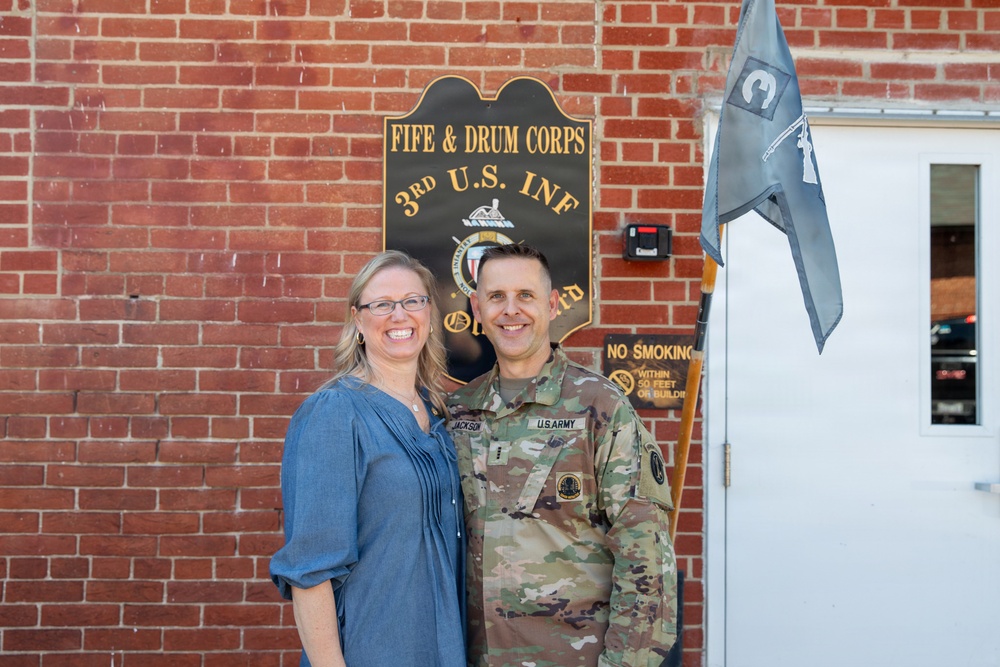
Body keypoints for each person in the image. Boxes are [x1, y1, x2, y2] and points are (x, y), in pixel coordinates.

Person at [447, 243, 678, 667]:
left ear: (553, 305)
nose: (510, 310)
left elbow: (645, 557)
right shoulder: (459, 411)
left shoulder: (599, 407)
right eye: (496, 297)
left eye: (526, 296)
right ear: (477, 310)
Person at [270, 250, 466, 667]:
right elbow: (310, 572)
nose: (400, 315)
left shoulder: (437, 413)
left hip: (442, 646)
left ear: (428, 313)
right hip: (371, 648)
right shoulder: (335, 413)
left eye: (413, 301)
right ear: (358, 320)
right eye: (381, 304)